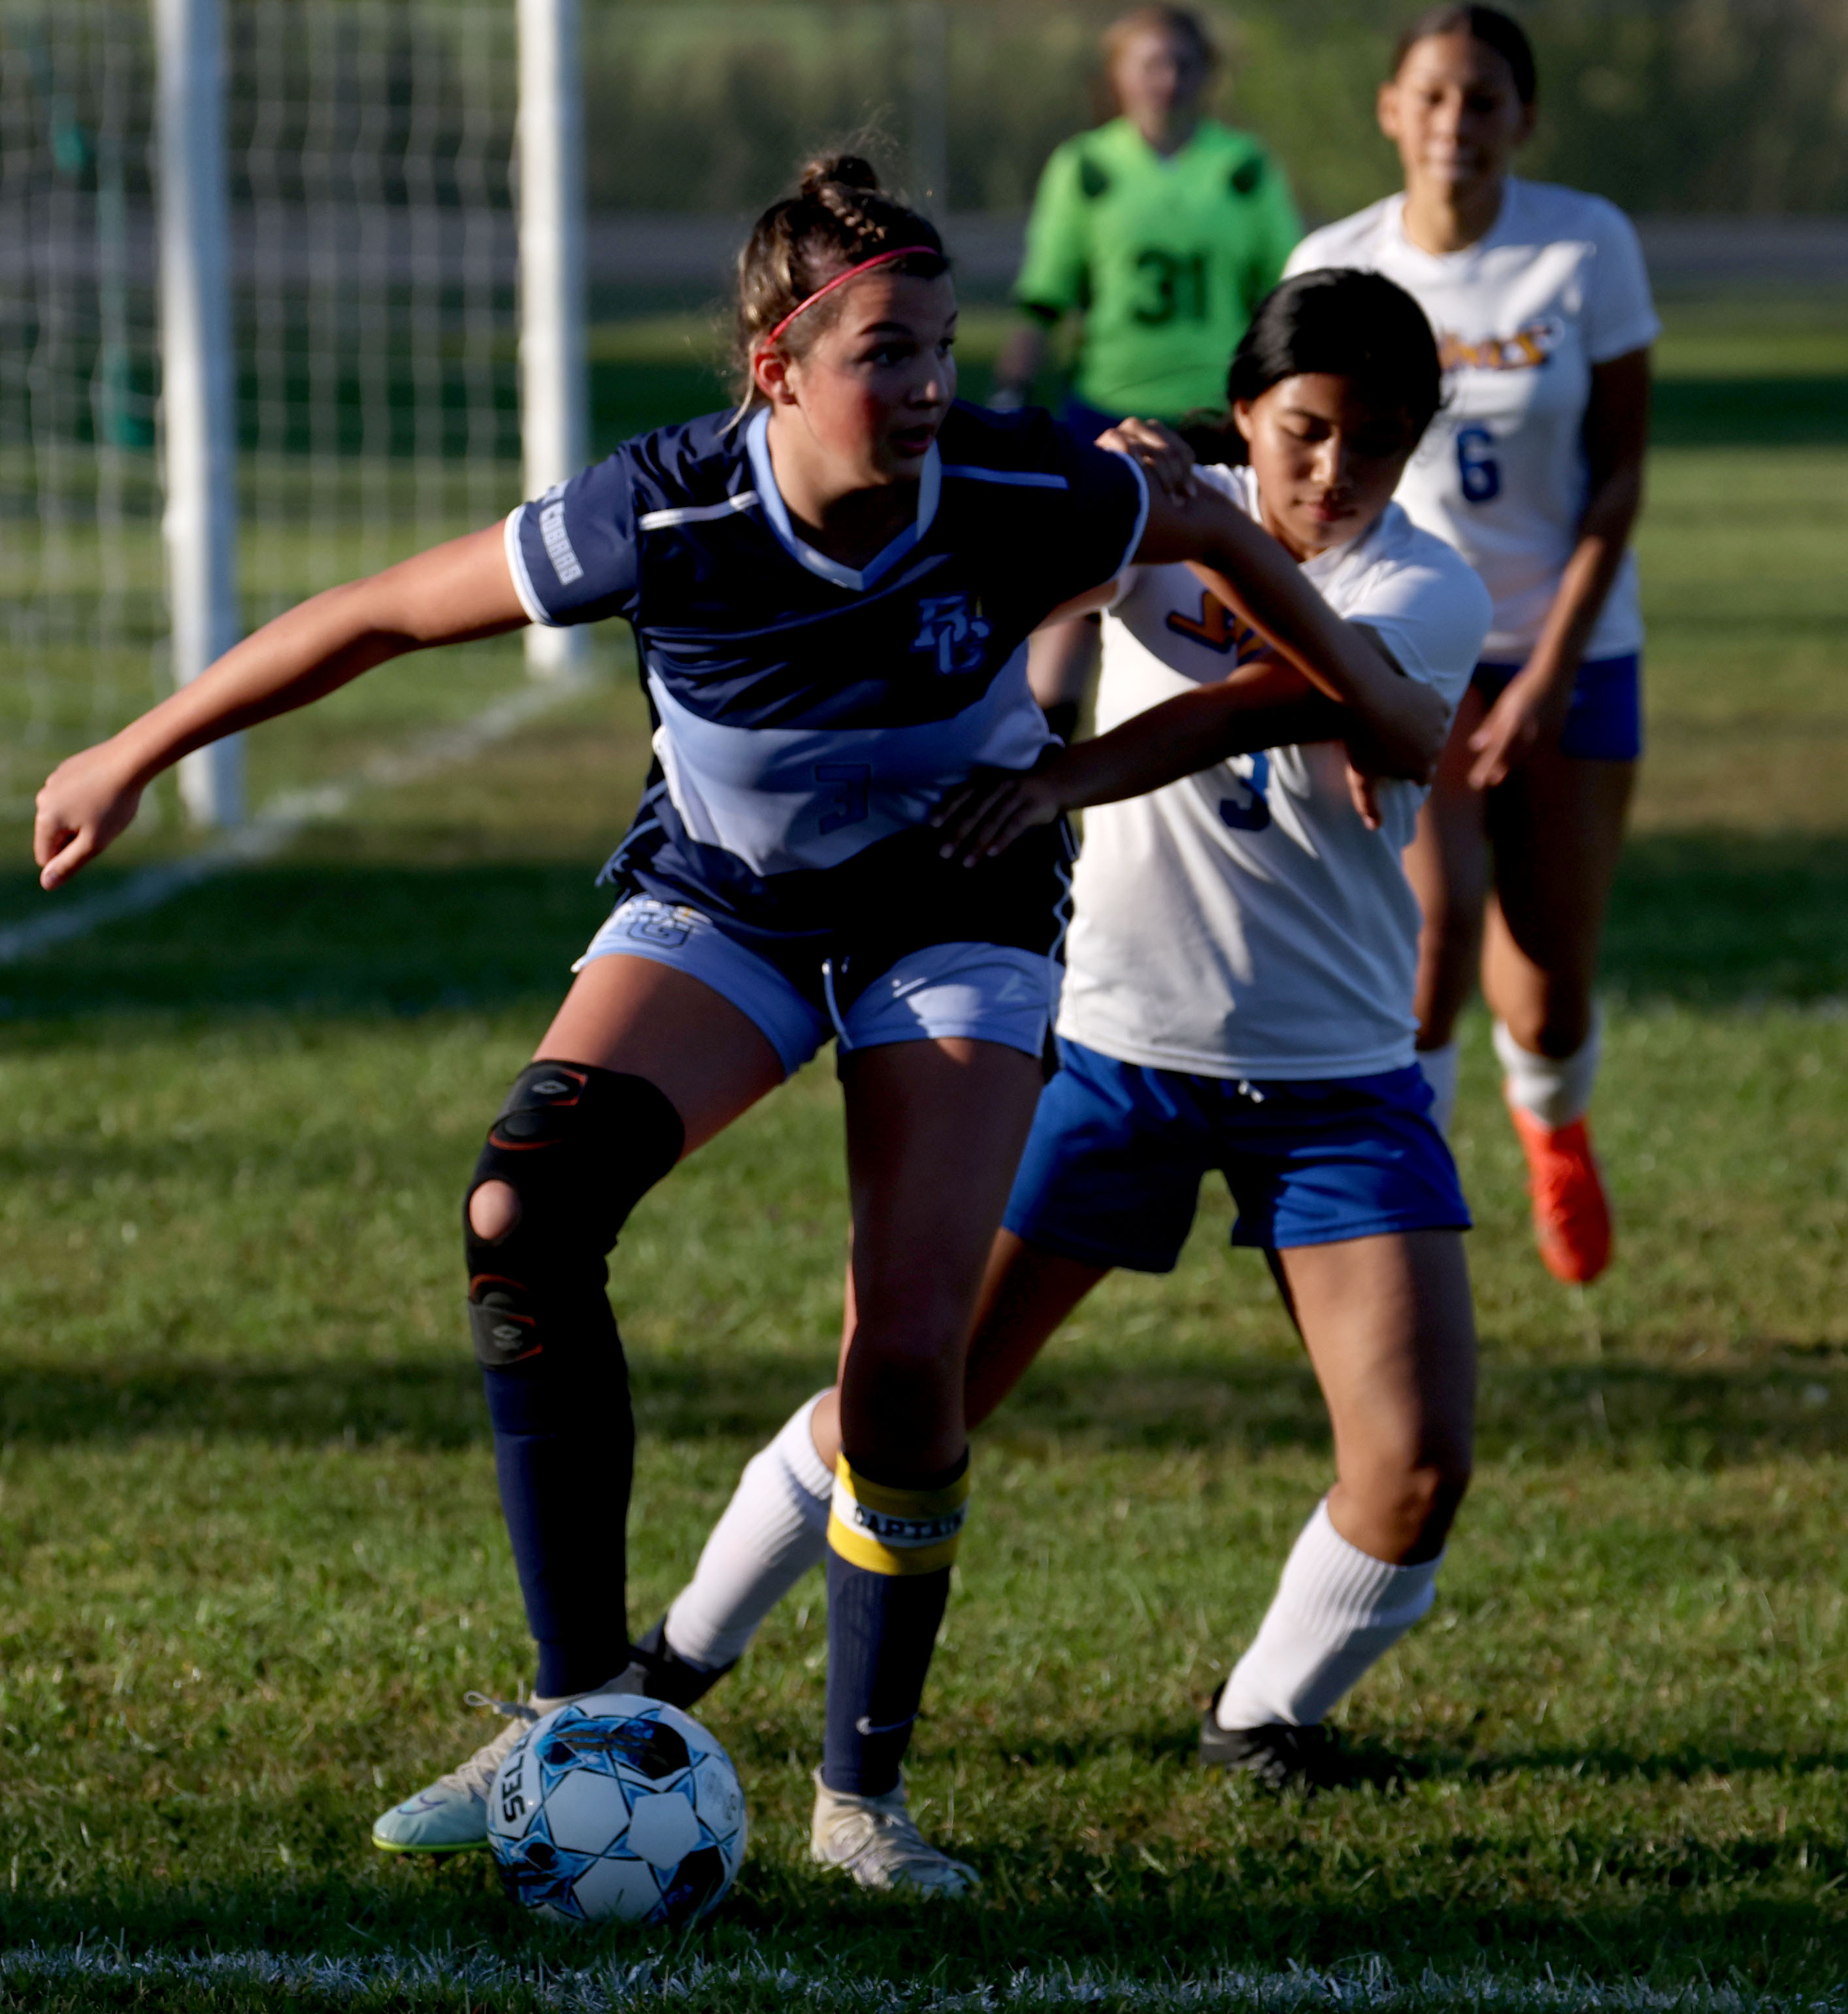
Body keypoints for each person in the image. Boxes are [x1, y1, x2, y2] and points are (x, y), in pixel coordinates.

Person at [33, 165, 1444, 1893]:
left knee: (907, 1356)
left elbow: (1213, 528)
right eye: (882, 354)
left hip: (951, 916)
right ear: (774, 369)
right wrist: (134, 751)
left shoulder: (1007, 483)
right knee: (523, 1206)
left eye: (935, 346)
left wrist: (1368, 696)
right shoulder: (662, 514)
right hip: (727, 908)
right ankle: (572, 1717)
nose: (925, 385)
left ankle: (863, 1800)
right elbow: (378, 615)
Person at [625, 269, 1496, 1795]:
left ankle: (1264, 1716)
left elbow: (1258, 703)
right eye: (1304, 432)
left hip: (1335, 1077)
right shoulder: (1149, 508)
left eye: (1377, 442)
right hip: (1104, 1049)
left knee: (1416, 1466)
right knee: (907, 1388)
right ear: (1246, 413)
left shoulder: (1428, 586)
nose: (1334, 472)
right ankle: (675, 1661)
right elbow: (968, 544)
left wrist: (1061, 777)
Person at [1286, 3, 1658, 1285]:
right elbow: (1293, 462)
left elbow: (1618, 474)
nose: (1456, 124)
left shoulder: (1585, 243)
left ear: (1522, 118)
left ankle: (1553, 1125)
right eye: (1433, 97)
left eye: (1483, 100)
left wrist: (1551, 665)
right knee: (1429, 939)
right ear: (1392, 109)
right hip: (1405, 644)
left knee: (1546, 991)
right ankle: (1404, 1213)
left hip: (1573, 650)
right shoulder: (1333, 262)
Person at [992, 3, 1303, 744]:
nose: (1167, 80)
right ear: (1119, 77)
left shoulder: (1242, 167)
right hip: (1107, 410)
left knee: (1222, 596)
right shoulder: (1087, 167)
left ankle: (1230, 755)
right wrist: (1010, 395)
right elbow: (1043, 298)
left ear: (1206, 76)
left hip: (1218, 419)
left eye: (1182, 64)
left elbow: (1286, 291)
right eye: (1150, 63)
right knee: (1072, 595)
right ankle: (1043, 770)